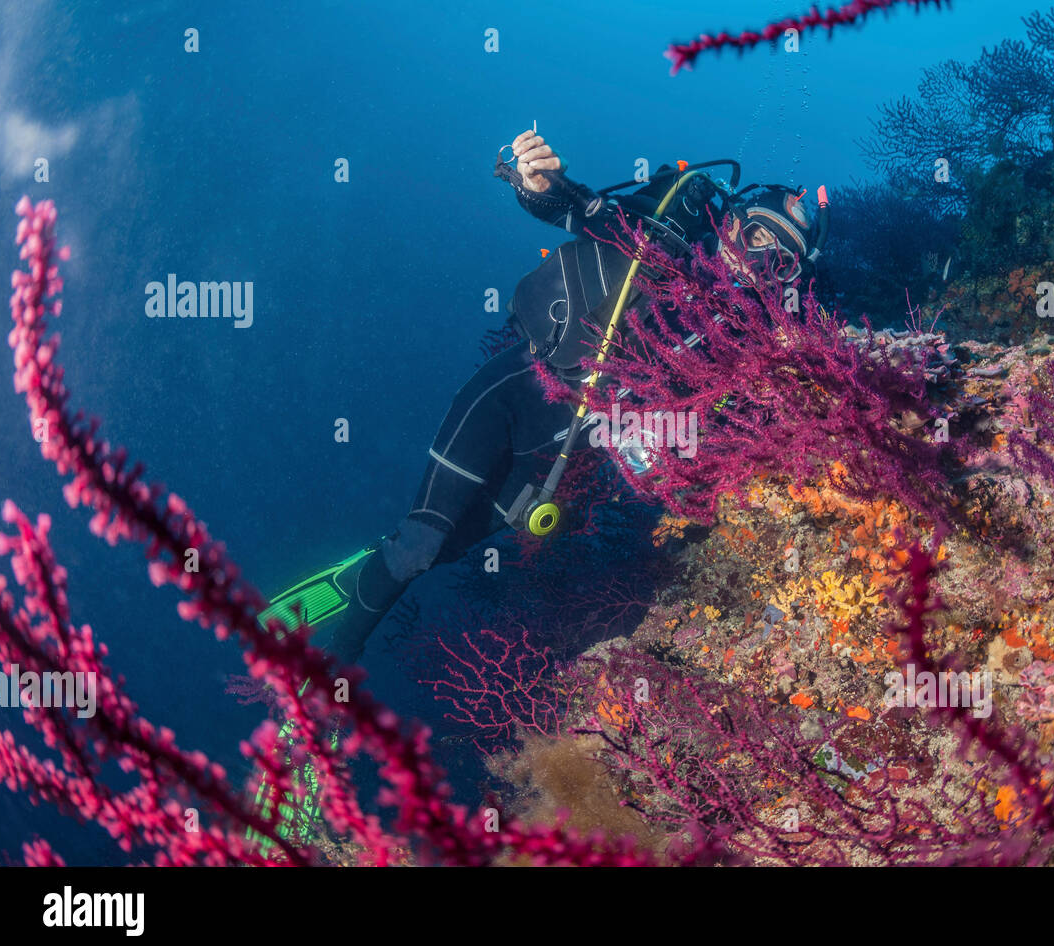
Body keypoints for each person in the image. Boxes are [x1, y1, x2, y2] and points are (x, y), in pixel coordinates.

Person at [321, 130, 827, 663]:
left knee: (446, 549)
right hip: (512, 395)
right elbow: (583, 210)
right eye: (755, 236)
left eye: (782, 261)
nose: (758, 262)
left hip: (561, 456)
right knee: (421, 544)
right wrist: (539, 184)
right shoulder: (661, 241)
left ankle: (367, 572)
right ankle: (333, 663)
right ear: (728, 226)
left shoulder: (747, 344)